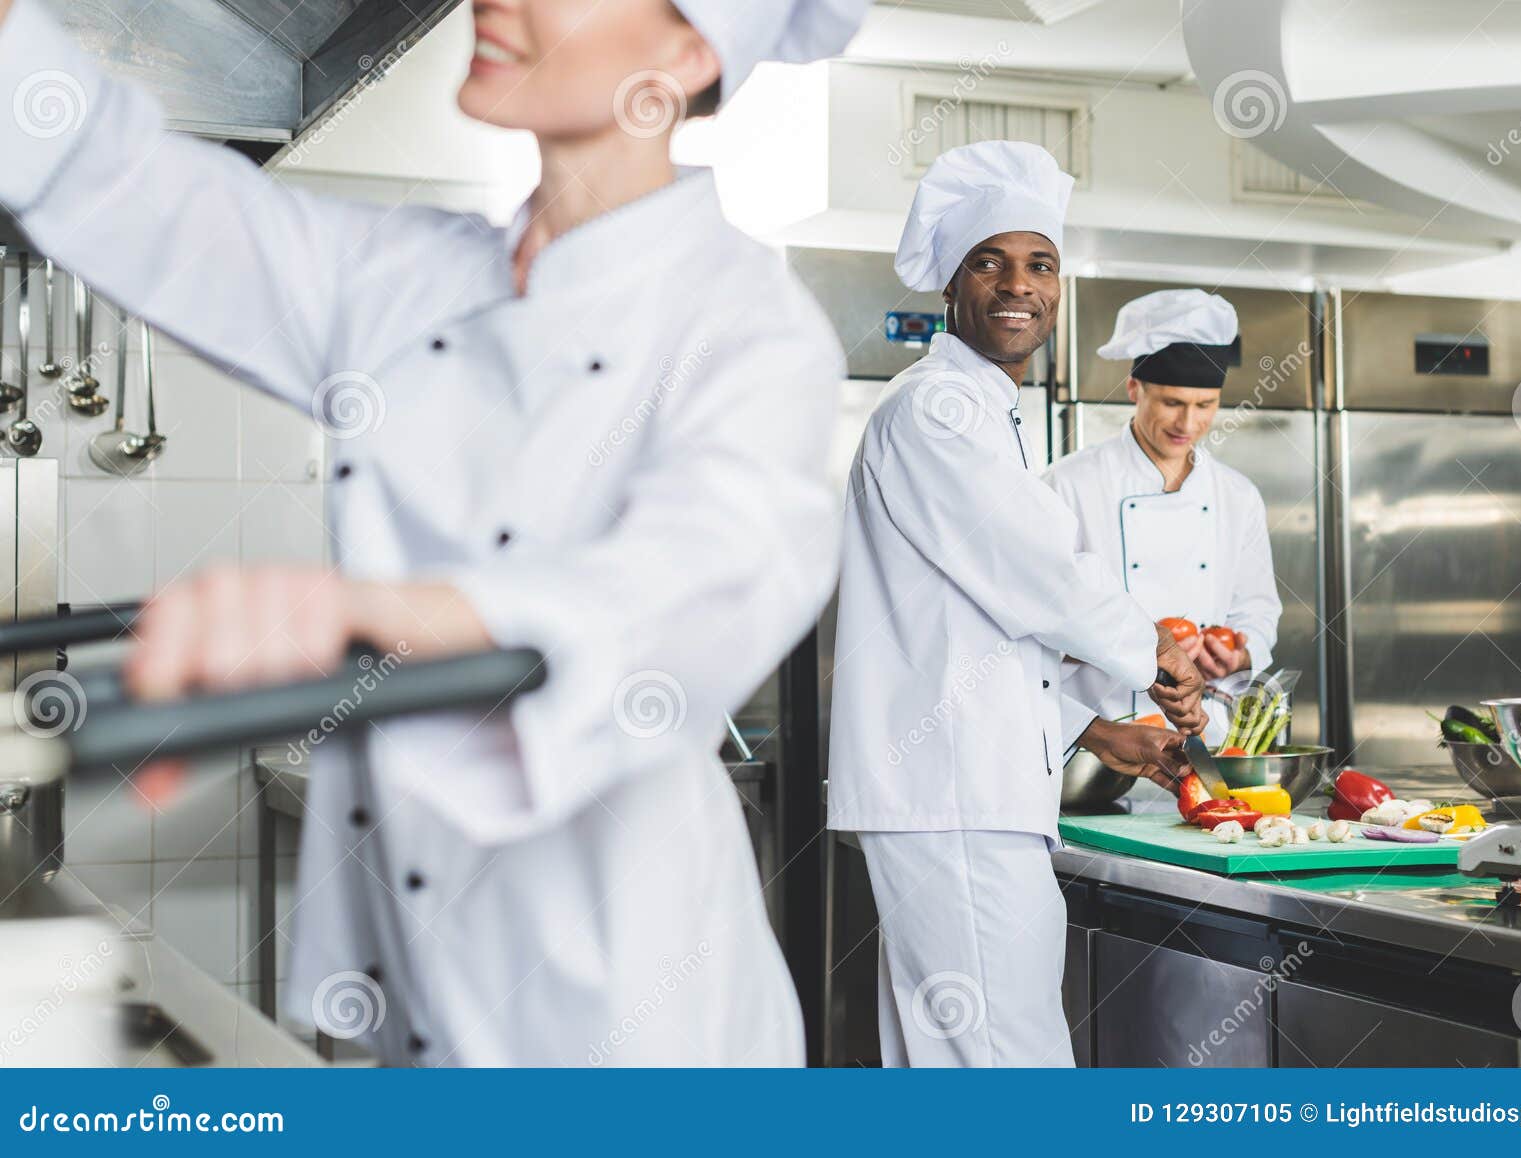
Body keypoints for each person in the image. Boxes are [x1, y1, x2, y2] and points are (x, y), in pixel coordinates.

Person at [0, 0, 870, 1065]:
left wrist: (365, 616)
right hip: (420, 992)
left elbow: (703, 578)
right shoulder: (412, 278)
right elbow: (131, 189)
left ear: (688, 51)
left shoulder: (747, 325)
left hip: (636, 1025)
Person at [826, 141, 1206, 1068]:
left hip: (966, 789)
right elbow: (1037, 572)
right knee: (1006, 1060)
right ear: (950, 283)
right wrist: (1154, 650)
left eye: (1040, 264)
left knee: (963, 1059)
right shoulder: (937, 410)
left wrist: (1091, 729)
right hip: (953, 793)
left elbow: (974, 627)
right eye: (989, 262)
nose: (1018, 285)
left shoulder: (981, 411)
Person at [1043, 289, 1282, 757]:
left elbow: (1257, 610)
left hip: (1204, 737)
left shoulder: (1237, 495)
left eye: (1205, 405)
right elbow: (1039, 618)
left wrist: (1240, 653)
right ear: (1135, 388)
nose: (1188, 423)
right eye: (1172, 402)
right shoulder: (1068, 485)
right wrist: (1140, 646)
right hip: (1098, 740)